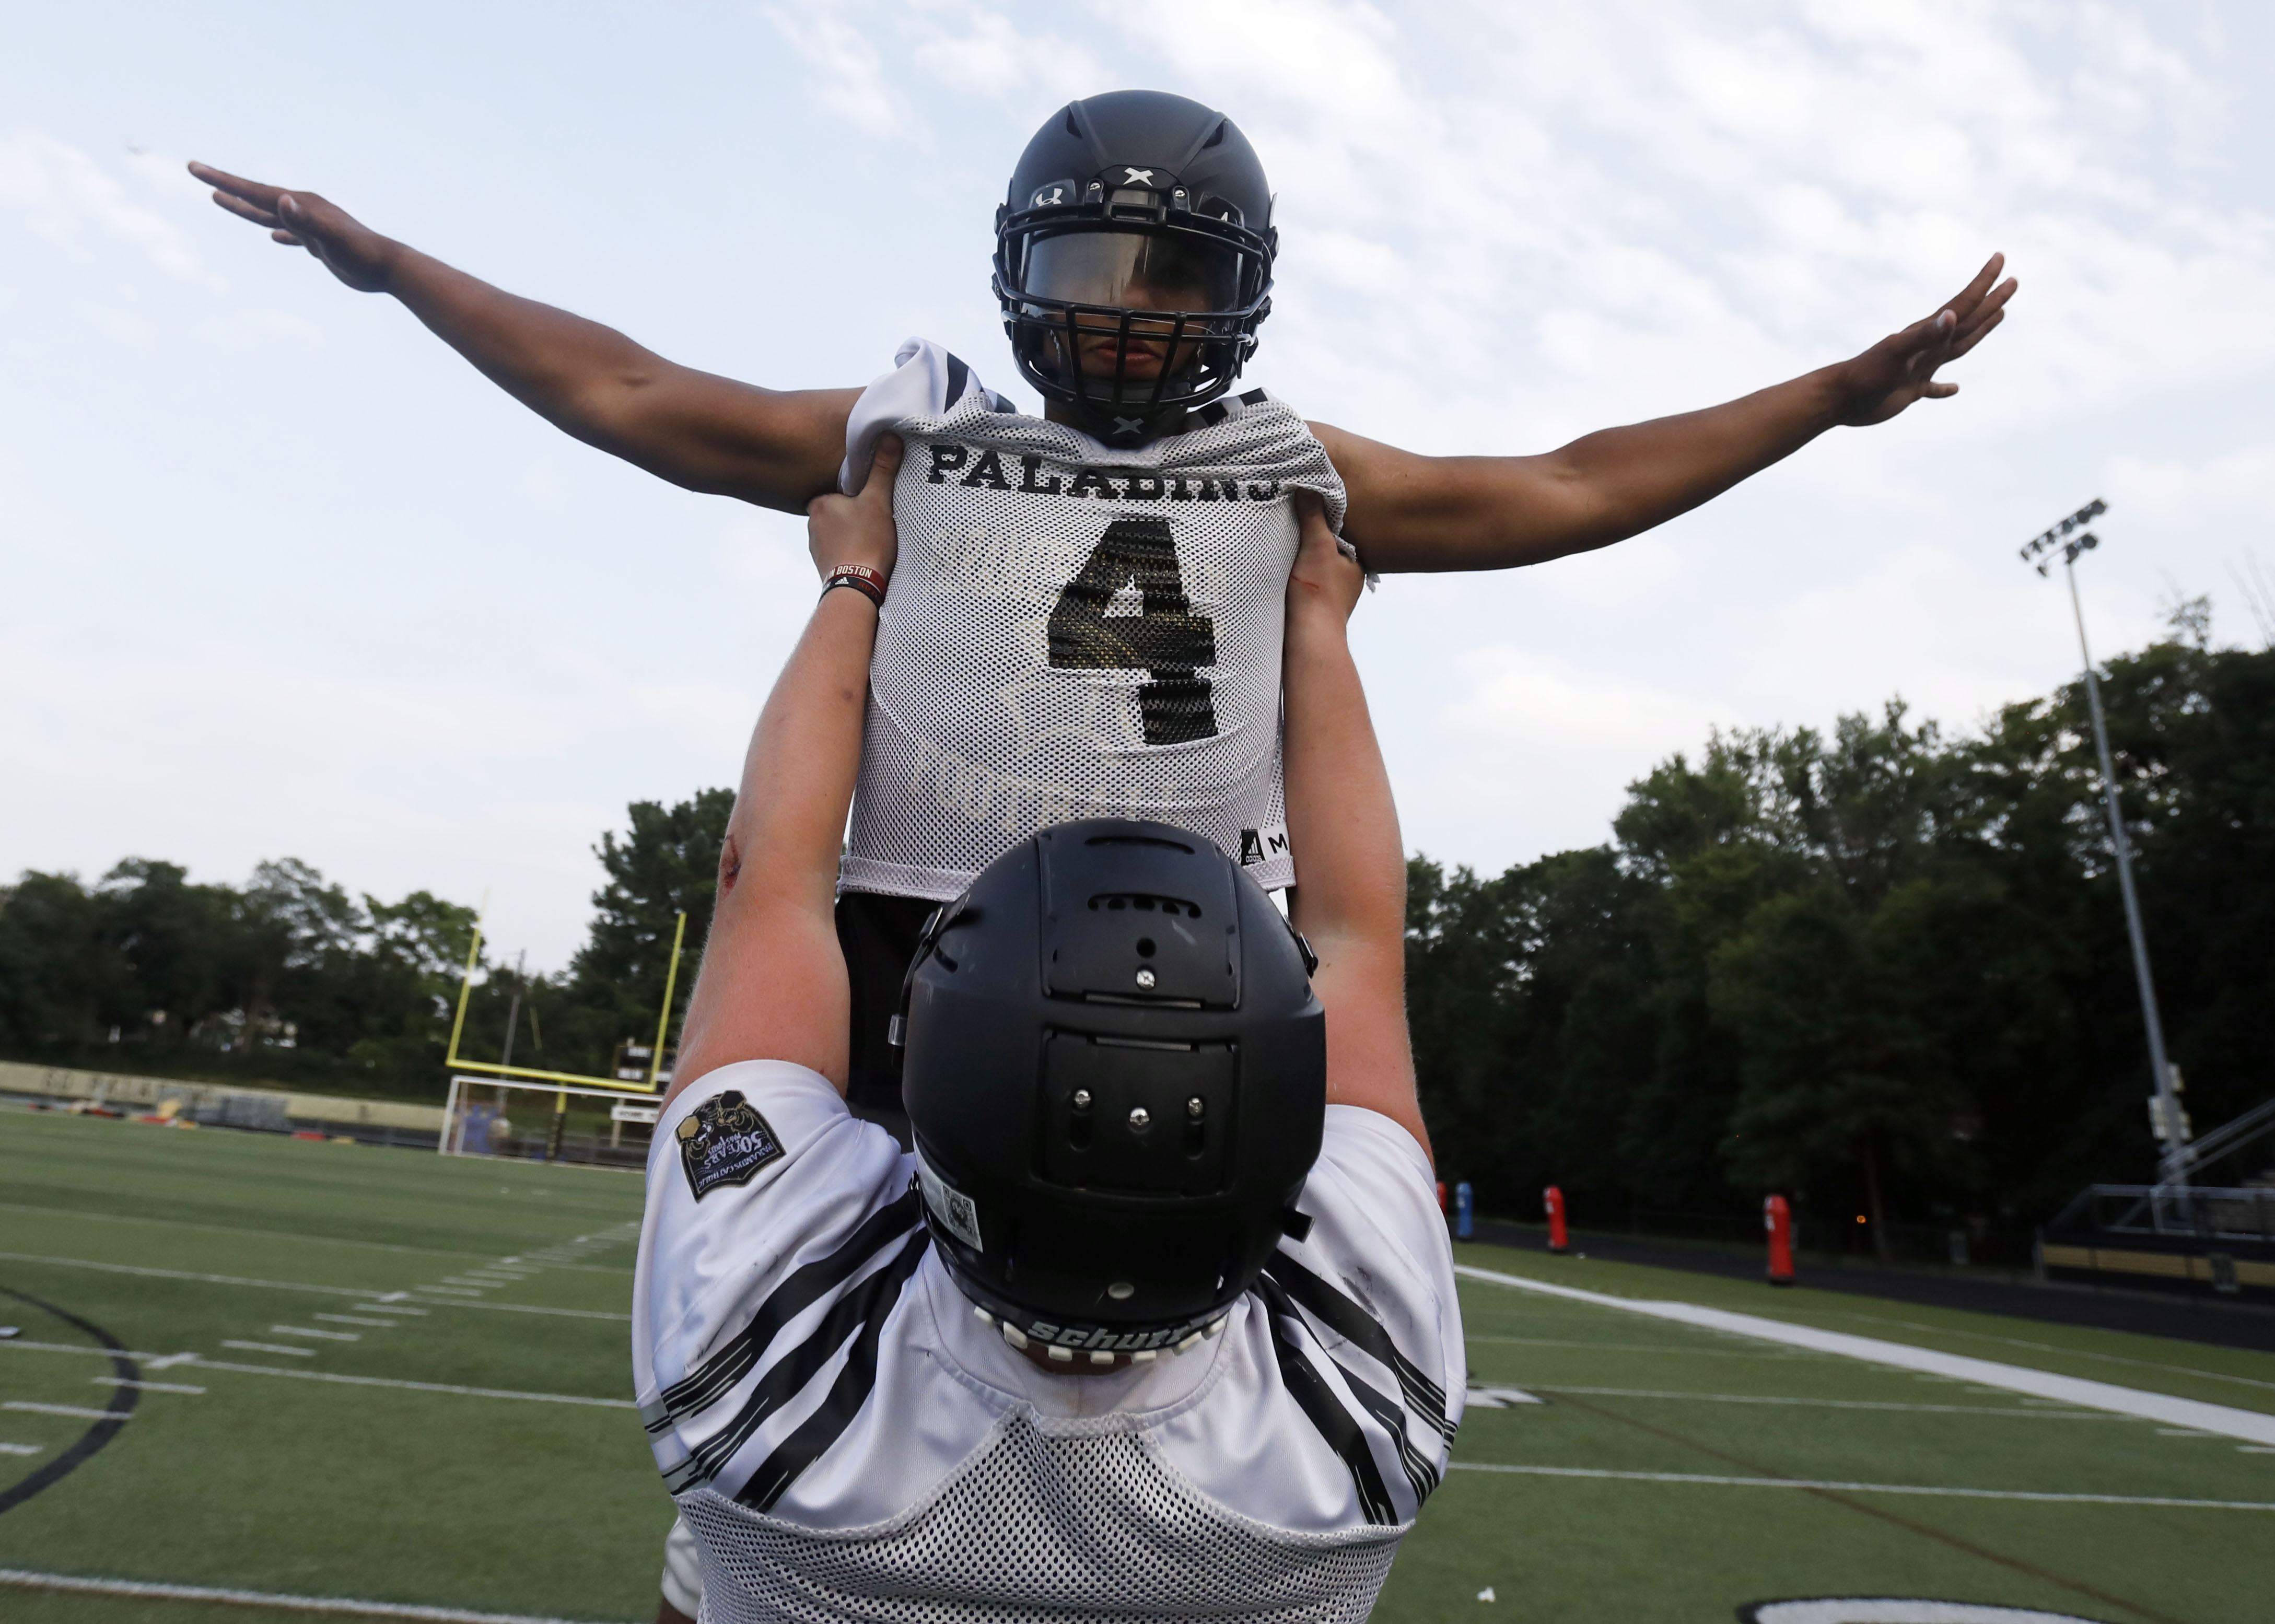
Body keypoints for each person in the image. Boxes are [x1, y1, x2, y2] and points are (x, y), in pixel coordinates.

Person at [189, 90, 2016, 1127]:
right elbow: (637, 396)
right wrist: (399, 270)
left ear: (1240, 296)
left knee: (1145, 1374)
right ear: (1010, 272)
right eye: (1090, 267)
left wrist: (1820, 396)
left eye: (1170, 276)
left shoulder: (1286, 459)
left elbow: (1561, 486)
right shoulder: (923, 426)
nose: (1127, 313)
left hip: (1198, 955)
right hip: (901, 928)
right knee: (788, 1363)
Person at [631, 438, 1454, 1622]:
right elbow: (1364, 936)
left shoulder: (759, 1379)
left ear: (924, 1085)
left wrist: (855, 580)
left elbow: (769, 878)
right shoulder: (1365, 1425)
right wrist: (1316, 626)